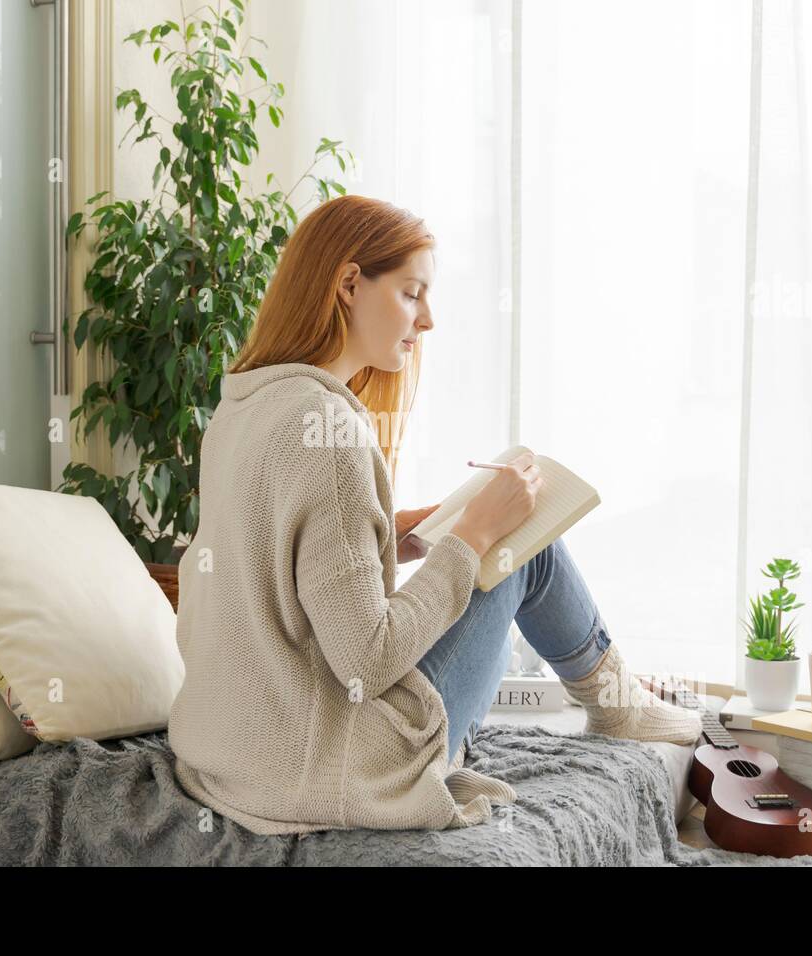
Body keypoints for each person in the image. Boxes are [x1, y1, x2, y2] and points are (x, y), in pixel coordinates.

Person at [167, 195, 701, 837]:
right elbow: (366, 659)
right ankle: (617, 704)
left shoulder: (243, 409)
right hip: (331, 771)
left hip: (233, 756)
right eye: (412, 293)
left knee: (495, 547)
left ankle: (618, 696)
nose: (428, 320)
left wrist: (403, 534)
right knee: (529, 551)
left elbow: (270, 564)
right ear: (348, 285)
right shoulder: (333, 430)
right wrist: (472, 536)